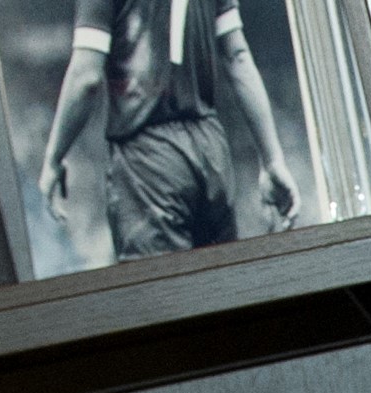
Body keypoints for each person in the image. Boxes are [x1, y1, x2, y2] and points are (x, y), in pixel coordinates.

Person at [37, 0, 298, 259]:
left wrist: (53, 157)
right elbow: (238, 57)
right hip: (211, 153)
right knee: (220, 289)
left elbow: (86, 78)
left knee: (162, 296)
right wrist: (273, 159)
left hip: (148, 163)